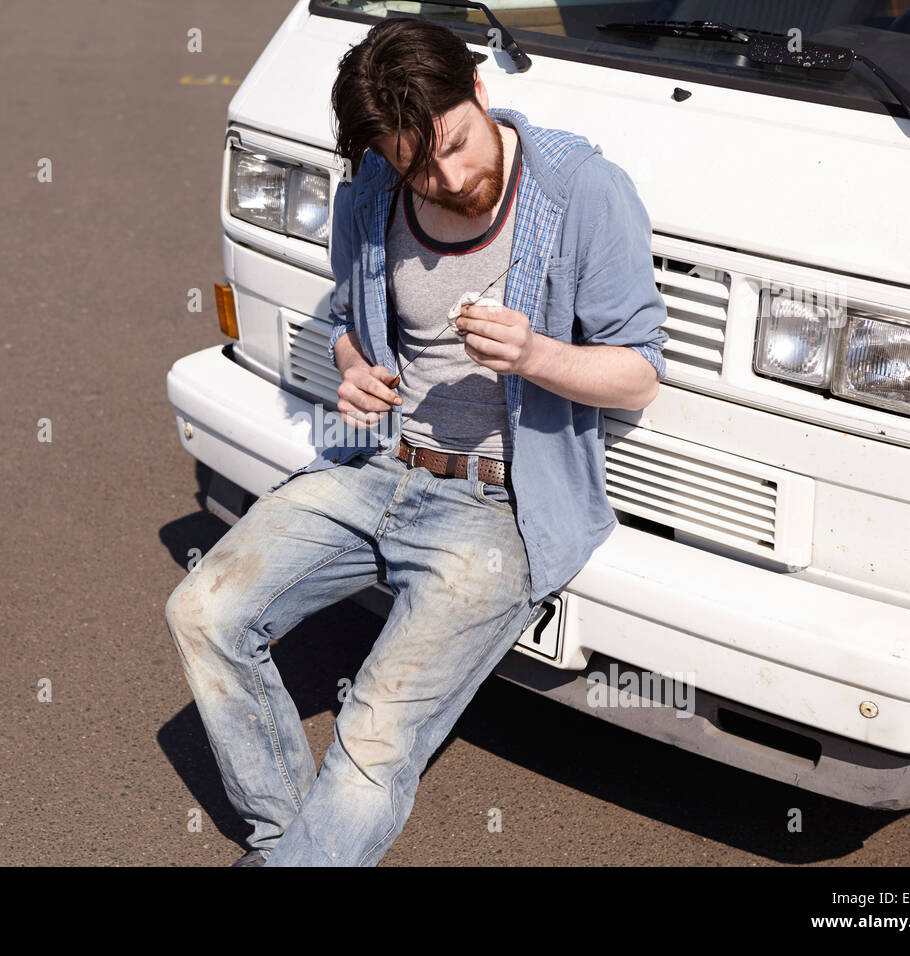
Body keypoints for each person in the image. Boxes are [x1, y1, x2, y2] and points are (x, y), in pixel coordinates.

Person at [165, 17, 668, 867]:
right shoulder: (373, 189)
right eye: (417, 166)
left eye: (456, 147)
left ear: (479, 91)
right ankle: (290, 846)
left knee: (373, 734)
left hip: (499, 504)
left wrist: (537, 355)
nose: (447, 178)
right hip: (377, 467)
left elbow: (640, 372)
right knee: (203, 611)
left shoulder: (583, 190)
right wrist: (351, 361)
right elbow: (339, 312)